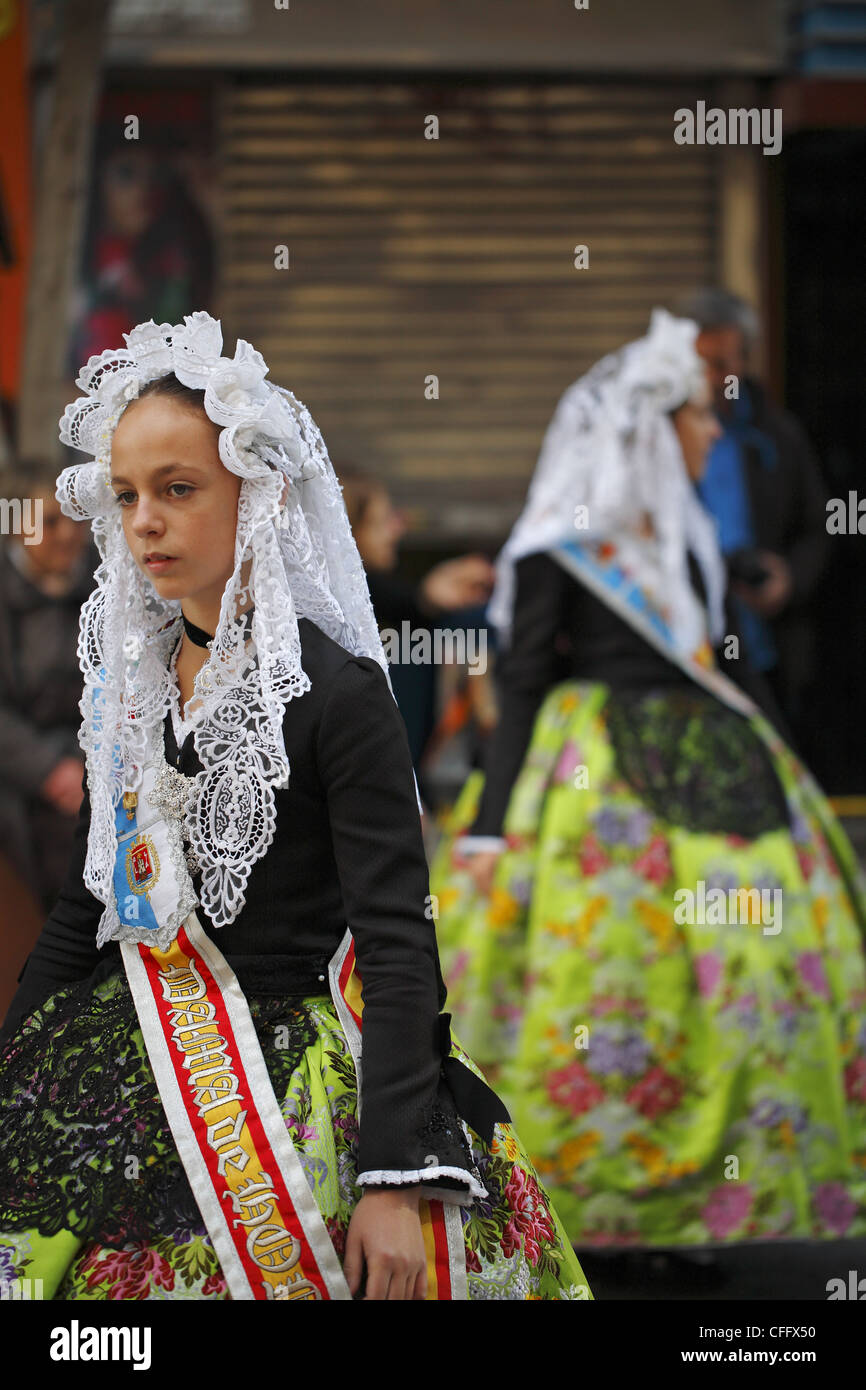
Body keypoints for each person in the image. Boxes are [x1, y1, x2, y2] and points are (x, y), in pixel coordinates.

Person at [0, 313, 590, 1302]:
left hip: (302, 1088)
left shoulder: (336, 692)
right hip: (134, 1059)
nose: (145, 519)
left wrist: (393, 1176)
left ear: (261, 495)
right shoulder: (125, 691)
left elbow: (398, 938)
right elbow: (80, 916)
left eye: (178, 490)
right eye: (129, 494)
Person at [430, 309, 866, 1251]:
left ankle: (720, 1206)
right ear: (650, 427)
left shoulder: (689, 538)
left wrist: (785, 760)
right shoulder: (565, 542)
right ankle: (588, 1213)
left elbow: (732, 664)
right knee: (608, 981)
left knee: (740, 971)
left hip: (717, 765)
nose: (716, 432)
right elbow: (522, 675)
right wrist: (494, 820)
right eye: (700, 418)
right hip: (591, 780)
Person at [677, 288, 829, 739]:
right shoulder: (657, 440)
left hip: (762, 646)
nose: (712, 377)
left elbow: (821, 526)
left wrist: (789, 578)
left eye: (724, 364)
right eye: (701, 364)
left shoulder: (776, 436)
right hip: (687, 648)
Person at [338, 465, 494, 770]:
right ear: (348, 532)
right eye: (382, 522)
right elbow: (383, 595)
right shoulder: (346, 608)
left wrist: (428, 600)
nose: (397, 529)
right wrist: (425, 599)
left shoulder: (385, 609)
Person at [0, 459, 94, 910]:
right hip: (21, 773)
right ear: (19, 526)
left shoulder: (100, 586)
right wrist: (49, 771)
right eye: (49, 522)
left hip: (91, 758)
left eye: (76, 520)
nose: (66, 535)